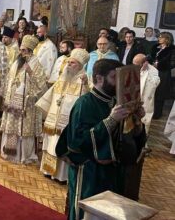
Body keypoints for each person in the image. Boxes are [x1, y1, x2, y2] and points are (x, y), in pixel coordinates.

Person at [56, 59, 147, 220]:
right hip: (89, 170)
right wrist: (110, 121)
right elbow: (77, 142)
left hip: (112, 171)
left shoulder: (115, 102)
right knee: (86, 213)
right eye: (114, 78)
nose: (118, 84)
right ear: (99, 78)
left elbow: (126, 138)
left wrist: (137, 122)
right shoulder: (85, 103)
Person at [35, 48, 89, 182]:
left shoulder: (85, 80)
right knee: (51, 144)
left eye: (73, 63)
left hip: (67, 124)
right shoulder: (62, 77)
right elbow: (51, 95)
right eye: (68, 62)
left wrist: (87, 84)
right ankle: (48, 170)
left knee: (62, 145)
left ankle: (62, 176)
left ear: (81, 66)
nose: (69, 65)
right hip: (54, 119)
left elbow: (88, 99)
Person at [0, 35, 48, 164]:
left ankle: (24, 155)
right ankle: (10, 152)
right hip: (12, 101)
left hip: (27, 104)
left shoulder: (36, 64)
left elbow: (42, 86)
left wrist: (30, 72)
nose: (21, 52)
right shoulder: (17, 62)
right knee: (12, 128)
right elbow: (9, 79)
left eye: (24, 50)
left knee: (22, 129)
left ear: (31, 51)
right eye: (21, 50)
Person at [148, 32, 174, 119]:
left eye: (161, 37)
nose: (159, 38)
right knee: (152, 91)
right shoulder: (156, 47)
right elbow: (150, 57)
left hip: (163, 73)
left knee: (160, 93)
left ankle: (157, 114)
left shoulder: (172, 49)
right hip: (152, 71)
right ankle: (150, 111)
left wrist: (159, 65)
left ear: (167, 39)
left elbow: (172, 64)